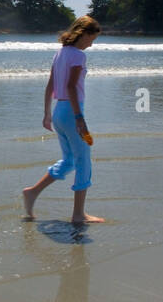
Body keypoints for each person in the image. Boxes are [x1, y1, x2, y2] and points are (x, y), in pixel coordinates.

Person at [22, 15, 104, 224]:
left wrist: (47, 113)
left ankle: (32, 192)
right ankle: (78, 214)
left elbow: (51, 84)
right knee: (83, 161)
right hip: (71, 112)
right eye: (91, 39)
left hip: (59, 112)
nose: (91, 44)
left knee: (69, 160)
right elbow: (69, 87)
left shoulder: (59, 53)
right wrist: (79, 118)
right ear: (83, 34)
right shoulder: (77, 56)